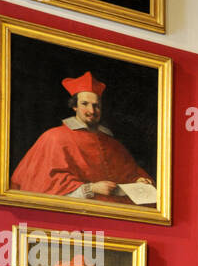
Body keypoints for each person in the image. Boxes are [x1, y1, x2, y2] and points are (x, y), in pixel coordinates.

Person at [10, 72, 154, 201]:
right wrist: (91, 189)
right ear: (75, 106)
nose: (91, 110)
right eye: (85, 104)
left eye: (96, 105)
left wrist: (139, 180)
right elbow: (46, 187)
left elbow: (129, 173)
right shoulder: (54, 137)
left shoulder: (113, 144)